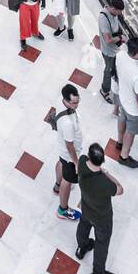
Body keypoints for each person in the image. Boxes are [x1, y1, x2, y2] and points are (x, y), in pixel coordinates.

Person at [75, 142, 123, 274]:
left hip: (86, 207)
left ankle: (82, 247)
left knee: (83, 225)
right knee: (102, 243)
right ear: (102, 161)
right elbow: (120, 189)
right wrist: (106, 173)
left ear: (89, 156)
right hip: (102, 217)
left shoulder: (82, 162)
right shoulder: (104, 183)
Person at [114, 35, 138, 168]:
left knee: (121, 119)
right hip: (133, 109)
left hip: (122, 98)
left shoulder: (120, 55)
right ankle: (124, 156)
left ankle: (119, 142)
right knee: (130, 132)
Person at [51, 83, 83, 221]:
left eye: (77, 101)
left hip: (62, 151)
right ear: (65, 100)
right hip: (70, 154)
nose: (76, 105)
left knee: (61, 163)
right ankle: (63, 209)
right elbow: (69, 145)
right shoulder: (67, 124)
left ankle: (57, 186)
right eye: (73, 103)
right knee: (68, 180)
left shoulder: (61, 102)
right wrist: (76, 163)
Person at [97, 0, 125, 102]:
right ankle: (104, 90)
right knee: (108, 70)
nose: (120, 13)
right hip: (108, 51)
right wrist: (121, 38)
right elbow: (108, 40)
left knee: (113, 67)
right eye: (119, 11)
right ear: (113, 9)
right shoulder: (103, 18)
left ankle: (115, 78)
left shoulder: (114, 14)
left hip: (115, 49)